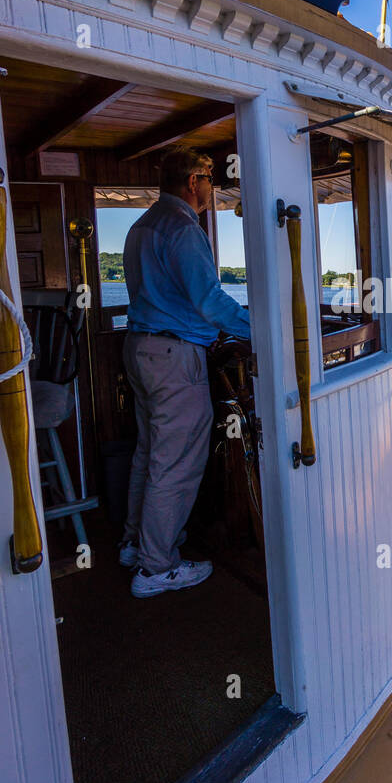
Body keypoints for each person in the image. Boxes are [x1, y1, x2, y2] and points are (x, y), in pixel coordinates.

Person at [119, 144, 251, 597]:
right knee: (173, 465)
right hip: (174, 359)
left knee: (149, 454)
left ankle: (135, 545)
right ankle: (156, 567)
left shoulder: (141, 226)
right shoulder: (182, 227)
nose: (213, 190)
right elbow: (209, 301)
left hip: (140, 349)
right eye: (211, 181)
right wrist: (262, 330)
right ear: (194, 182)